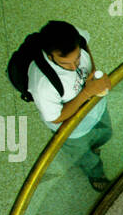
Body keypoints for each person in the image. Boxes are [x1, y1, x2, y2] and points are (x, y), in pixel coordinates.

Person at [29, 20, 113, 192]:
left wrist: (94, 74)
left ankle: (94, 147)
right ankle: (96, 174)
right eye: (65, 63)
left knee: (106, 133)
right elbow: (56, 117)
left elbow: (85, 45)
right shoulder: (43, 84)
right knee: (84, 156)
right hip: (74, 130)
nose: (74, 66)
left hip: (96, 109)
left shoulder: (74, 37)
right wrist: (87, 93)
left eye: (77, 59)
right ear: (50, 55)